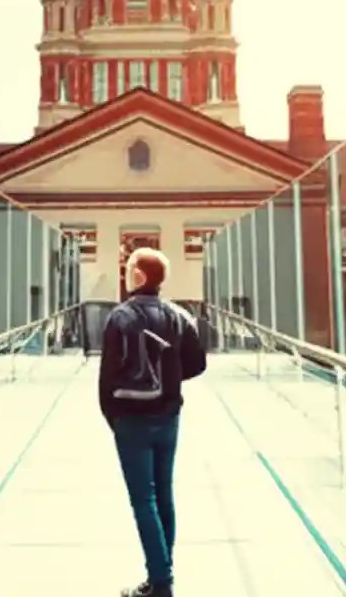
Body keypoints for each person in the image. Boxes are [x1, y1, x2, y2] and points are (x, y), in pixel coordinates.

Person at [99, 247, 207, 597]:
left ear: (139, 276)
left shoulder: (120, 317)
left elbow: (107, 376)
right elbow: (198, 363)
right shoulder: (179, 316)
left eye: (130, 267)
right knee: (163, 494)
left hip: (131, 418)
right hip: (168, 416)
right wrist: (169, 382)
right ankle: (163, 570)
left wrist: (112, 416)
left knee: (142, 499)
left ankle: (160, 583)